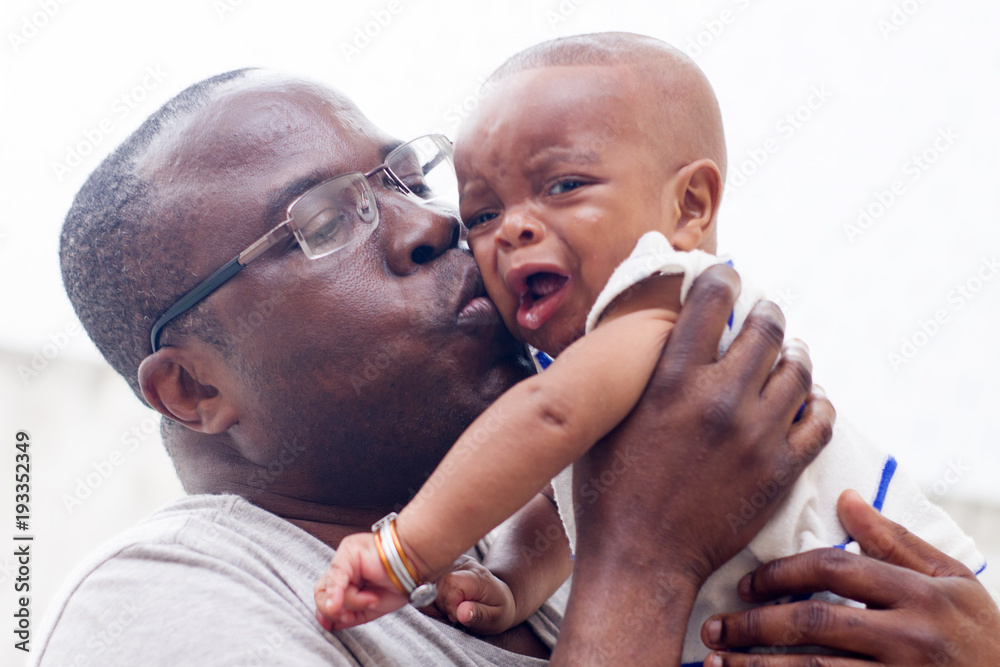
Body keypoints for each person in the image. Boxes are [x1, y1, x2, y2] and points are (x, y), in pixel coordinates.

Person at [37, 65, 998, 667]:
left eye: (407, 179)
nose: (435, 225)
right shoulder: (165, 601)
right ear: (194, 386)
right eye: (325, 221)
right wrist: (647, 560)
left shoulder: (534, 561)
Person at [314, 33, 989, 665]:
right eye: (483, 213)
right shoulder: (596, 358)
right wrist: (514, 581)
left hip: (879, 598)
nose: (514, 228)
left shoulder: (666, 292)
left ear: (690, 207)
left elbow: (548, 417)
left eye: (563, 186)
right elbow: (565, 501)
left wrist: (404, 551)